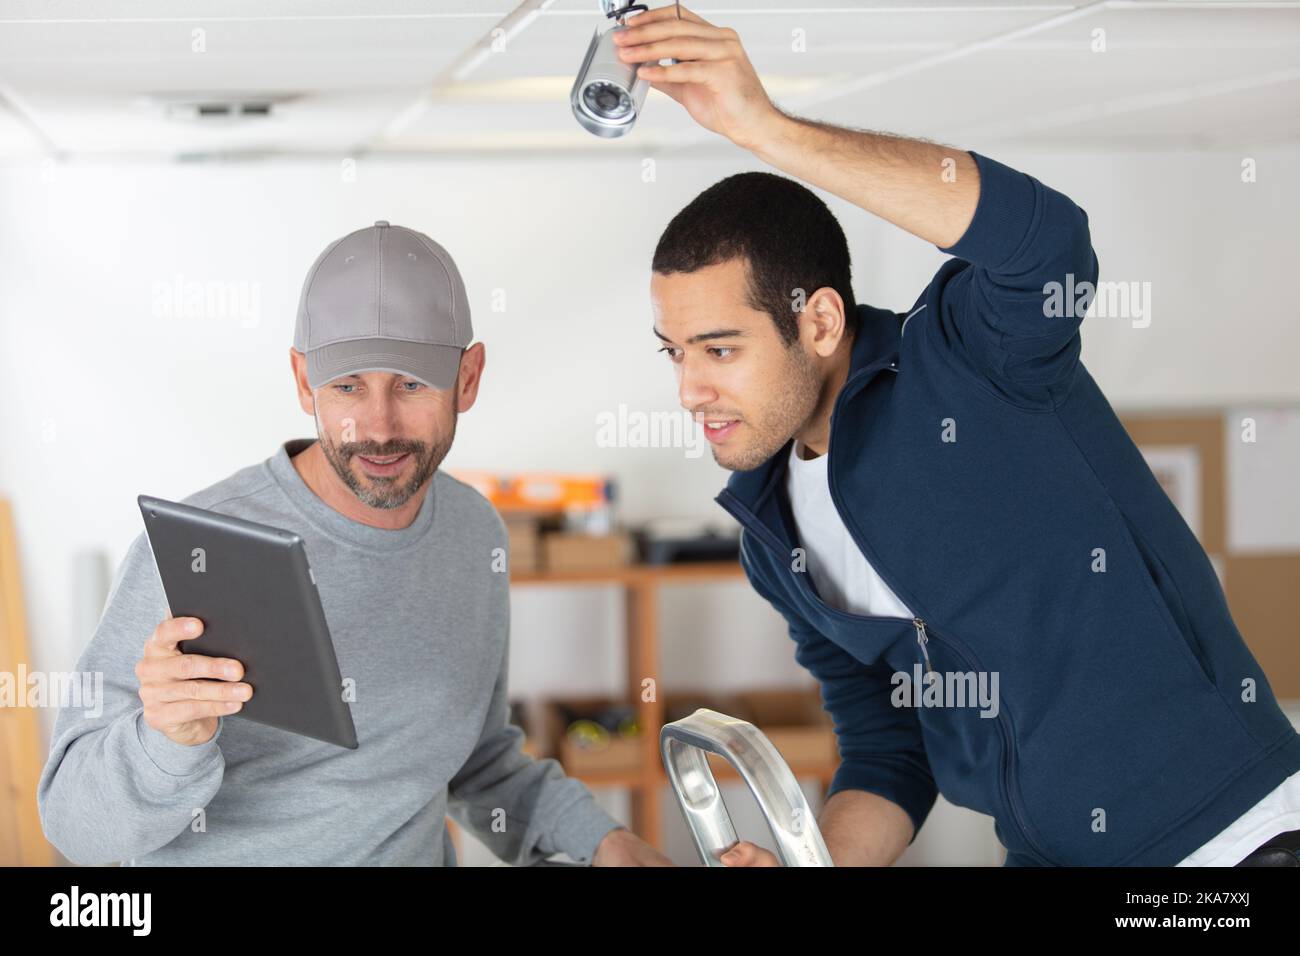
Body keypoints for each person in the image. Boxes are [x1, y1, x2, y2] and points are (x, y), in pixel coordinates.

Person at [625, 3, 1300, 866]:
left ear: (820, 322)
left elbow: (1048, 245)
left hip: (1227, 840)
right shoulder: (772, 532)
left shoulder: (967, 360)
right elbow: (889, 748)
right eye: (674, 352)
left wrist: (766, 128)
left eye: (720, 349)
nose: (689, 388)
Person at [37, 221, 669, 866]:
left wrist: (603, 841)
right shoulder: (196, 551)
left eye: (412, 384)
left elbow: (478, 764)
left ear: (469, 376)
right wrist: (164, 741)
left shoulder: (474, 534)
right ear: (304, 380)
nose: (379, 428)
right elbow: (76, 829)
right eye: (347, 387)